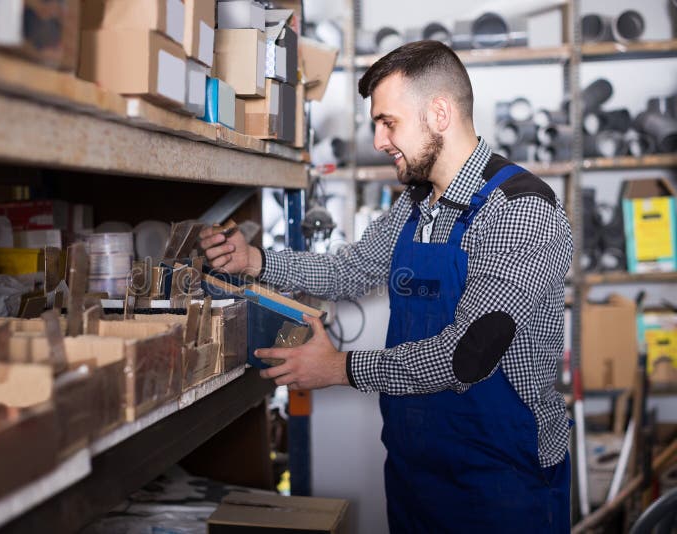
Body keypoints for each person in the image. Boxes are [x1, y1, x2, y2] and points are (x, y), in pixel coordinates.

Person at [199, 40, 573, 533]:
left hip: (503, 483)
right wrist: (257, 261)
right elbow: (349, 270)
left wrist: (340, 367)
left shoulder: (520, 210)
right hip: (416, 473)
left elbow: (467, 355)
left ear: (439, 113)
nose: (378, 140)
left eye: (388, 122)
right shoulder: (416, 205)